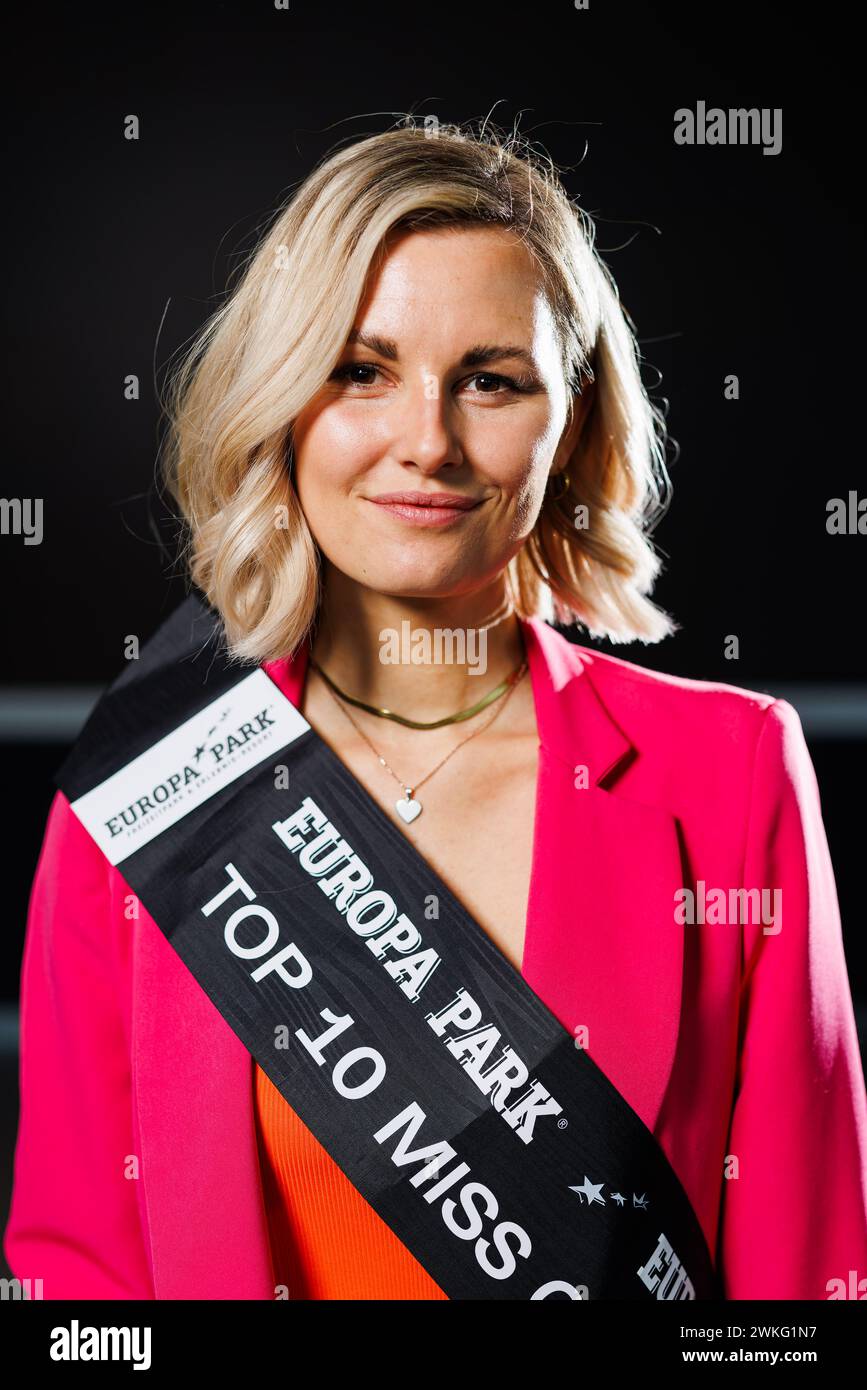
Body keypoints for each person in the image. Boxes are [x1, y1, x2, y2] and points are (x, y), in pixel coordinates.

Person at [5, 120, 867, 1300]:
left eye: (492, 380)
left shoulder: (729, 773)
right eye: (361, 370)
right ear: (280, 402)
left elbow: (803, 1282)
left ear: (571, 428)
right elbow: (81, 1289)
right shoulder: (152, 787)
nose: (428, 441)